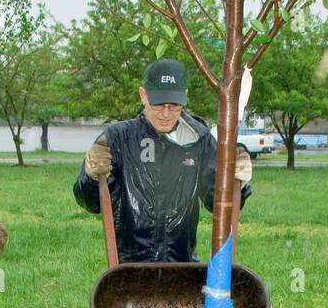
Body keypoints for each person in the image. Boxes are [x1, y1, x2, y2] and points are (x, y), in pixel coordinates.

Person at [74, 58, 251, 263]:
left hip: (181, 265)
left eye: (174, 105)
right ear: (143, 95)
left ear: (185, 97)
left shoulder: (198, 139)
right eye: (158, 104)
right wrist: (91, 176)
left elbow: (219, 202)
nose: (166, 114)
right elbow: (89, 202)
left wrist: (238, 182)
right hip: (130, 268)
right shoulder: (119, 138)